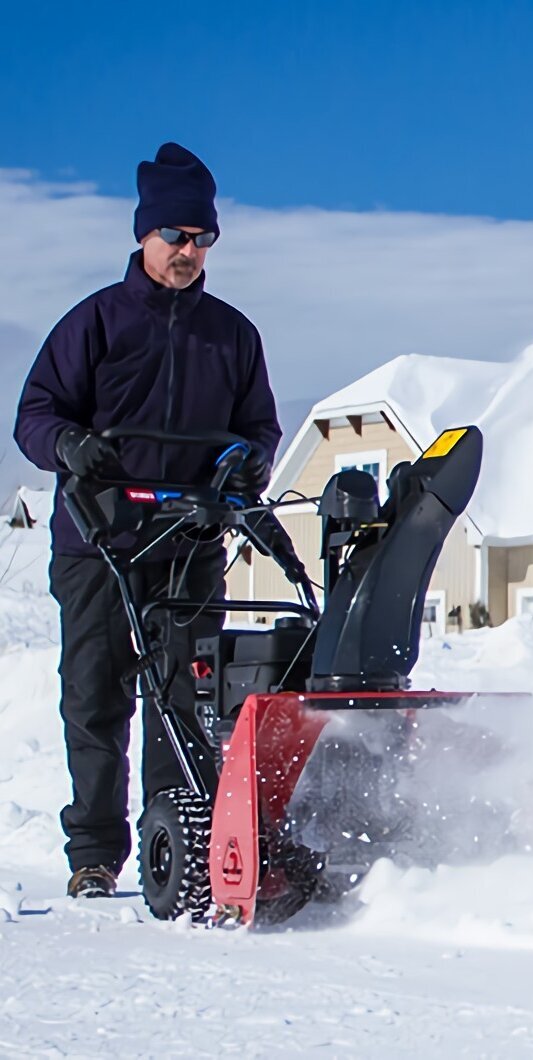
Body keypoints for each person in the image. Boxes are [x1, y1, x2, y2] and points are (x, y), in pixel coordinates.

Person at [14, 142, 281, 899]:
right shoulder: (95, 322)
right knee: (95, 697)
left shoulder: (231, 335)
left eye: (203, 239)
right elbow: (34, 416)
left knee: (182, 699)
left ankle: (179, 842)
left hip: (188, 538)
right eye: (176, 237)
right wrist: (69, 443)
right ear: (144, 235)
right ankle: (95, 855)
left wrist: (247, 464)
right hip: (98, 539)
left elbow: (258, 427)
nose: (189, 252)